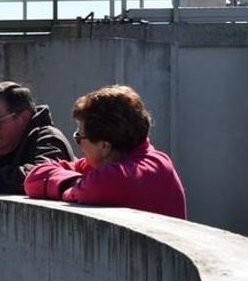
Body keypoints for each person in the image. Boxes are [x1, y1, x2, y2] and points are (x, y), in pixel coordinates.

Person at [24, 85, 187, 219]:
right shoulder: (113, 162)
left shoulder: (123, 175)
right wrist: (76, 183)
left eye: (79, 136)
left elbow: (99, 185)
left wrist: (73, 184)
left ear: (104, 146)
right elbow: (34, 177)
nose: (79, 144)